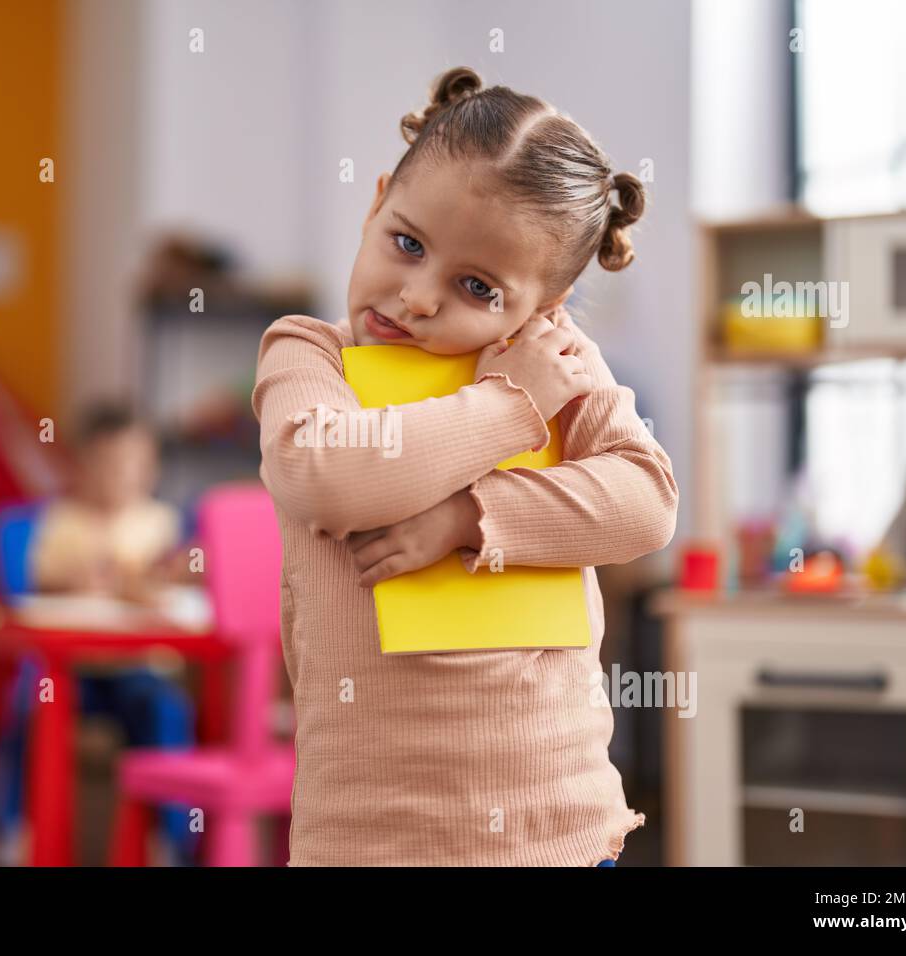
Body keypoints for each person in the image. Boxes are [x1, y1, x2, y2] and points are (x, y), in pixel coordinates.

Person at [252, 67, 678, 866]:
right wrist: (507, 407)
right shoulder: (310, 354)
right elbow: (325, 476)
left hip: (561, 829)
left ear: (541, 312)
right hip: (369, 840)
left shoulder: (558, 362)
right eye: (406, 242)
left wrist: (465, 519)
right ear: (376, 201)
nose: (416, 297)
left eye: (476, 287)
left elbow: (646, 501)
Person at [0, 401, 198, 866]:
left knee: (167, 712)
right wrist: (76, 582)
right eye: (107, 464)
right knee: (35, 712)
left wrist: (170, 576)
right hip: (70, 671)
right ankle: (15, 828)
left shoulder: (161, 521)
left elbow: (180, 580)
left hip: (138, 671)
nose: (120, 477)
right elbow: (36, 588)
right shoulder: (60, 520)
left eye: (133, 465)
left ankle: (170, 840)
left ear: (151, 468)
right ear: (82, 465)